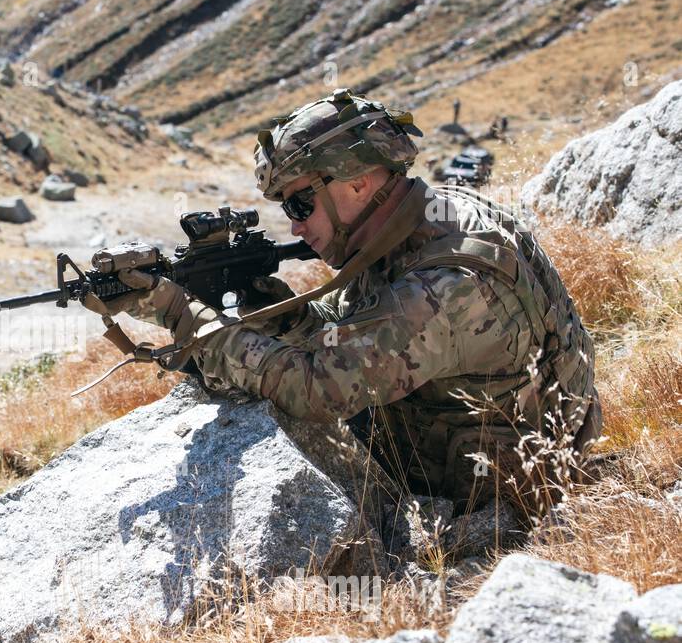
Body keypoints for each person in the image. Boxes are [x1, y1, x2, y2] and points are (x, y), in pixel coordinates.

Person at [87, 89, 600, 511]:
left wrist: (177, 311)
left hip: (502, 498)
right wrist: (279, 309)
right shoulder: (421, 215)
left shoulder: (448, 285)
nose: (293, 223)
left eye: (300, 202)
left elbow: (317, 388)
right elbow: (358, 328)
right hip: (485, 435)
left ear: (357, 181)